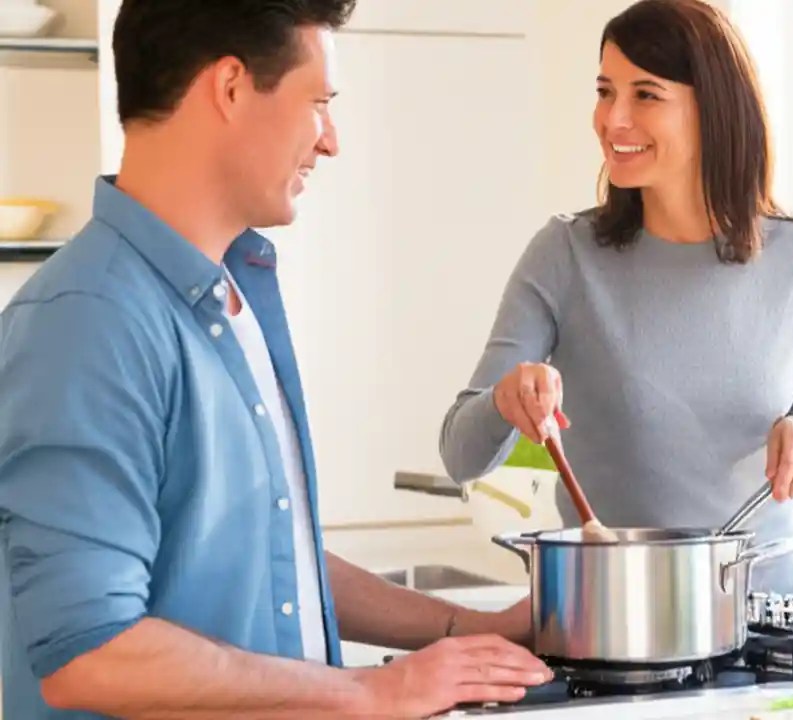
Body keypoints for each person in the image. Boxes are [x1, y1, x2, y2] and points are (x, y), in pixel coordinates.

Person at [0, 1, 549, 717]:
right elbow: (89, 653)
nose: (331, 141)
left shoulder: (229, 291)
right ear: (229, 88)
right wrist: (372, 690)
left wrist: (464, 629)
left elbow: (268, 559)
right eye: (317, 103)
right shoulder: (89, 322)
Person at [440, 0, 793, 595]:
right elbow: (460, 455)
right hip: (612, 620)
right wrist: (505, 400)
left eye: (646, 95)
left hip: (765, 620)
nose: (613, 119)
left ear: (713, 108)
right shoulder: (565, 253)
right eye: (606, 92)